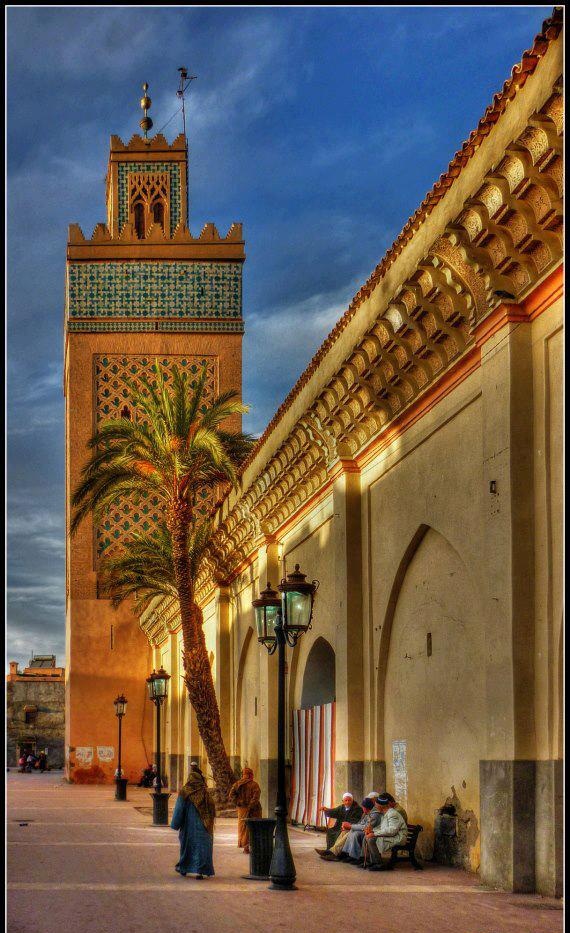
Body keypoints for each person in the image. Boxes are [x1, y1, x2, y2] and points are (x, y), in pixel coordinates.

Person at [170, 762, 216, 879]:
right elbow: (212, 808)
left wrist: (175, 824)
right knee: (203, 848)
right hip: (204, 826)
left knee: (187, 847)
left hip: (189, 827)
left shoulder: (185, 792)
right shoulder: (205, 792)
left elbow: (179, 809)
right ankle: (201, 871)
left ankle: (184, 868)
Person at [320, 797, 382, 862]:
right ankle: (338, 852)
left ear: (366, 807)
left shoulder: (374, 814)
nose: (347, 802)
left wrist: (350, 826)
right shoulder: (366, 813)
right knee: (344, 832)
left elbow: (366, 826)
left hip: (370, 831)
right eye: (345, 800)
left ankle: (340, 854)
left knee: (353, 833)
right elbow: (360, 823)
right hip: (359, 828)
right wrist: (349, 826)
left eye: (349, 800)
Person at [362, 792, 408, 870]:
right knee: (367, 837)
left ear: (380, 806)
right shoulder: (386, 813)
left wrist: (374, 834)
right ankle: (371, 862)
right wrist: (372, 831)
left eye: (376, 805)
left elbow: (392, 830)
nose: (375, 806)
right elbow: (383, 827)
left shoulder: (392, 814)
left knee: (371, 839)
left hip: (397, 837)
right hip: (393, 835)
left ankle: (379, 864)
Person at [228, 767, 262, 854]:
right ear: (251, 775)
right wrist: (251, 805)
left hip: (242, 810)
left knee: (243, 827)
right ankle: (253, 846)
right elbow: (256, 797)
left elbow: (231, 795)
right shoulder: (255, 785)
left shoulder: (237, 784)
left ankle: (245, 847)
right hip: (255, 810)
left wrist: (238, 802)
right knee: (255, 827)